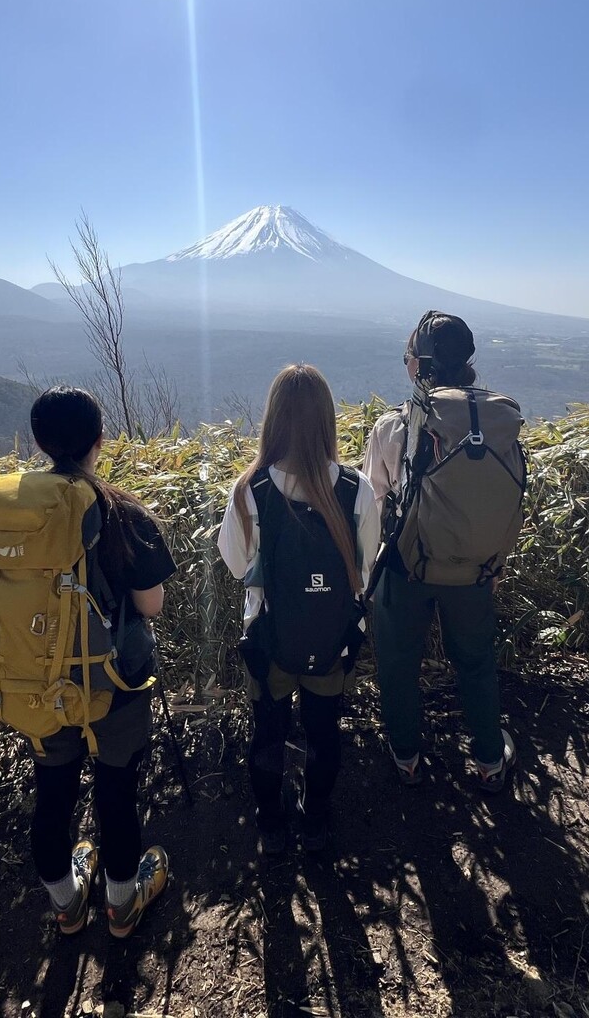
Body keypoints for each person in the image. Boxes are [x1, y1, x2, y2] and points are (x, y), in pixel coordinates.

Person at [25, 386, 174, 937]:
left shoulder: (14, 514)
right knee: (116, 792)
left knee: (53, 794)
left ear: (41, 441)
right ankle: (121, 904)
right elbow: (151, 604)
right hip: (114, 681)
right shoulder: (121, 510)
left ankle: (66, 906)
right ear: (98, 440)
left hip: (37, 680)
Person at [217, 364, 380, 855]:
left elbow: (237, 564)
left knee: (268, 733)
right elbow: (365, 569)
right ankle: (317, 822)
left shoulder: (253, 490)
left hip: (270, 640)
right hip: (332, 640)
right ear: (327, 420)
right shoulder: (357, 488)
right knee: (324, 730)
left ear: (273, 420)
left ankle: (271, 825)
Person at [363, 312, 522, 794]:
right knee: (475, 661)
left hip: (406, 568)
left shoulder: (394, 427)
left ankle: (407, 757)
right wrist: (493, 561)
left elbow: (371, 507)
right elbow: (506, 497)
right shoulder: (498, 421)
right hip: (475, 568)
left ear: (419, 366)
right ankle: (490, 760)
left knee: (398, 663)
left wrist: (366, 575)